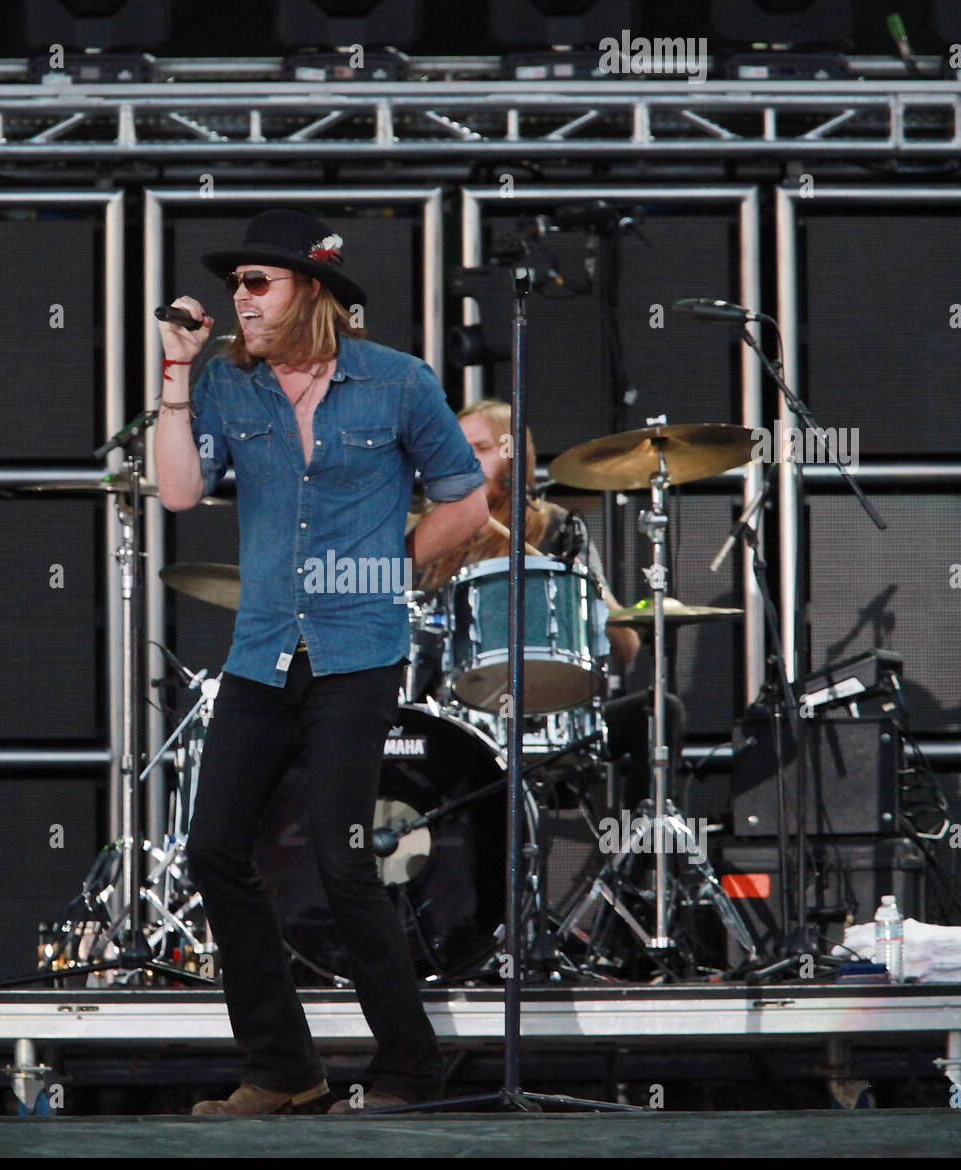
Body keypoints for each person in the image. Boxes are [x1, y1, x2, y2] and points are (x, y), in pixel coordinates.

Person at [155, 209, 488, 1115]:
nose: (239, 301)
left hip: (357, 651)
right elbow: (179, 491)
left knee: (345, 858)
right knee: (215, 848)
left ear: (312, 289)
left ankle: (412, 1066)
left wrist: (393, 564)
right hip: (262, 649)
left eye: (255, 283)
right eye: (234, 286)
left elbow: (466, 496)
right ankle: (284, 1068)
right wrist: (178, 377)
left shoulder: (398, 383)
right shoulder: (228, 385)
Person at [416, 399, 685, 810]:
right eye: (460, 448)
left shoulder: (557, 528)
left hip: (550, 718)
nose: (468, 459)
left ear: (513, 457)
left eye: (482, 449)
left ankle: (641, 857)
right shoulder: (428, 537)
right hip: (457, 723)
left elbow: (626, 646)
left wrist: (574, 581)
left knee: (660, 711)